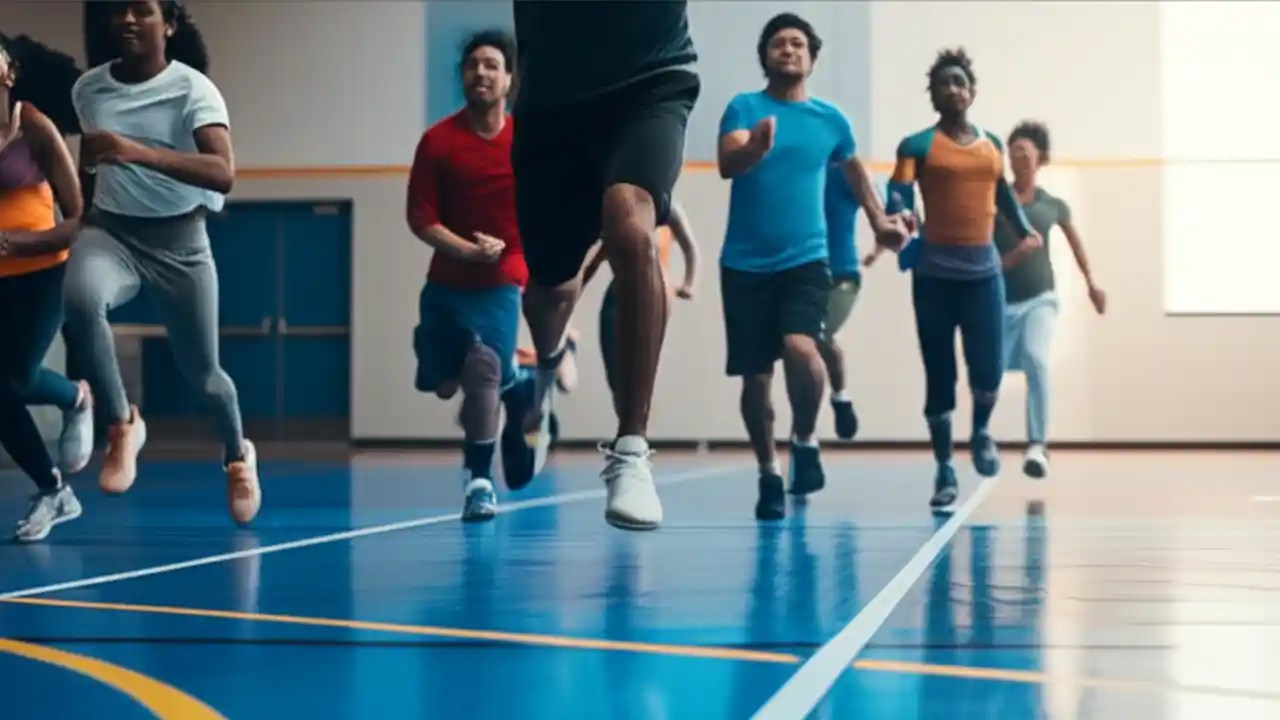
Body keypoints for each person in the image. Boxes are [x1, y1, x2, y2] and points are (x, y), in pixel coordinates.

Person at [65, 0, 261, 524]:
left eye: (143, 10)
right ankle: (122, 423)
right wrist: (81, 212)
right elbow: (91, 157)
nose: (127, 19)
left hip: (181, 242)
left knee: (206, 377)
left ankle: (238, 455)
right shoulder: (89, 90)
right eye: (119, 10)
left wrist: (137, 151)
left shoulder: (192, 89)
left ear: (168, 25)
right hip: (113, 232)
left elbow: (223, 172)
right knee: (80, 298)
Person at [511, 0, 701, 530]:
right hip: (552, 107)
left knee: (630, 226)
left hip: (651, 83)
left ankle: (632, 448)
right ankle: (548, 364)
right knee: (549, 293)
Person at [717, 14, 906, 521]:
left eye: (798, 43)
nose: (788, 50)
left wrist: (880, 220)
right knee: (755, 381)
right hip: (744, 265)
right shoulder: (745, 107)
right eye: (778, 44)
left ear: (812, 58)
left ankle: (804, 438)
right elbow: (726, 161)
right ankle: (768, 473)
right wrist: (754, 148)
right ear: (765, 57)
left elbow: (853, 168)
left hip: (806, 260)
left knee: (805, 350)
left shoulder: (831, 121)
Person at [885, 48, 1040, 513]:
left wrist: (1022, 227)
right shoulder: (915, 145)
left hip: (983, 276)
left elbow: (1003, 195)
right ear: (932, 95)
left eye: (959, 82)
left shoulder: (992, 144)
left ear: (971, 91)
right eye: (942, 83)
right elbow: (899, 193)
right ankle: (944, 469)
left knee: (988, 371)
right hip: (934, 276)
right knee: (940, 375)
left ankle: (982, 431)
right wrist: (899, 214)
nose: (951, 89)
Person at [406, 30, 530, 521]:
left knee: (482, 367)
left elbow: (544, 210)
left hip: (504, 281)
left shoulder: (526, 143)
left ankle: (480, 481)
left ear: (509, 79)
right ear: (462, 76)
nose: (480, 72)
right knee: (443, 384)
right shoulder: (437, 142)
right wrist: (466, 250)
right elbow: (420, 218)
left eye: (491, 65)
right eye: (472, 64)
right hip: (446, 286)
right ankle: (517, 384)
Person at [0, 34, 95, 542]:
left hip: (43, 273)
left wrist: (18, 242)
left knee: (13, 378)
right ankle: (53, 489)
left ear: (8, 72)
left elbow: (82, 220)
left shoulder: (35, 127)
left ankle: (76, 396)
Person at [996, 120, 1106, 478]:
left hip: (1039, 299)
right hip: (999, 302)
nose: (1017, 158)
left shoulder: (1052, 205)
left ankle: (1037, 446)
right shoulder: (996, 200)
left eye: (1024, 152)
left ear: (1039, 158)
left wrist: (1091, 284)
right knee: (990, 370)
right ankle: (983, 439)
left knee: (1035, 357)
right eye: (1012, 152)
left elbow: (1075, 243)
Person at [581, 200, 699, 410]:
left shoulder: (667, 207)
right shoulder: (616, 208)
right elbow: (595, 259)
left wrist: (689, 283)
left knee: (639, 369)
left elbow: (690, 248)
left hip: (656, 291)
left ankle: (636, 425)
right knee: (617, 371)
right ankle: (624, 423)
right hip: (620, 292)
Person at [819, 165, 865, 441]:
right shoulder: (799, 169)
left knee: (816, 334)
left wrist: (881, 243)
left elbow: (878, 203)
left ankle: (840, 398)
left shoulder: (844, 172)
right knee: (801, 341)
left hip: (842, 276)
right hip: (804, 273)